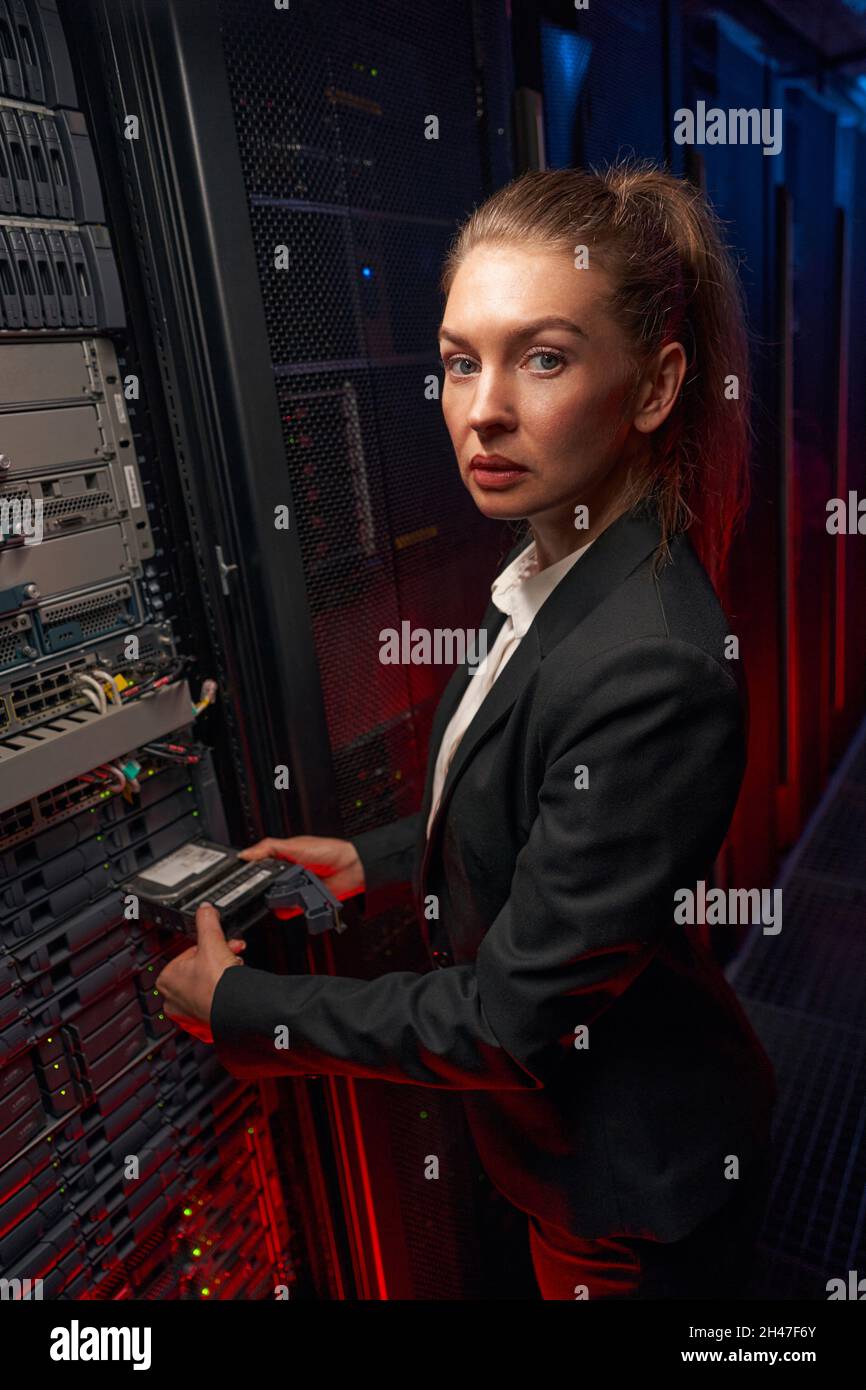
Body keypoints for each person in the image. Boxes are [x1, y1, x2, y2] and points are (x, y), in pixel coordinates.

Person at [155, 160, 777, 1300]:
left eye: (541, 356)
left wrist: (248, 1011)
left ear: (652, 388)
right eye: (457, 361)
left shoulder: (647, 660)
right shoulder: (557, 571)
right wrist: (375, 860)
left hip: (628, 1191)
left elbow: (506, 1020)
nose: (480, 405)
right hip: (570, 1142)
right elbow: (534, 815)